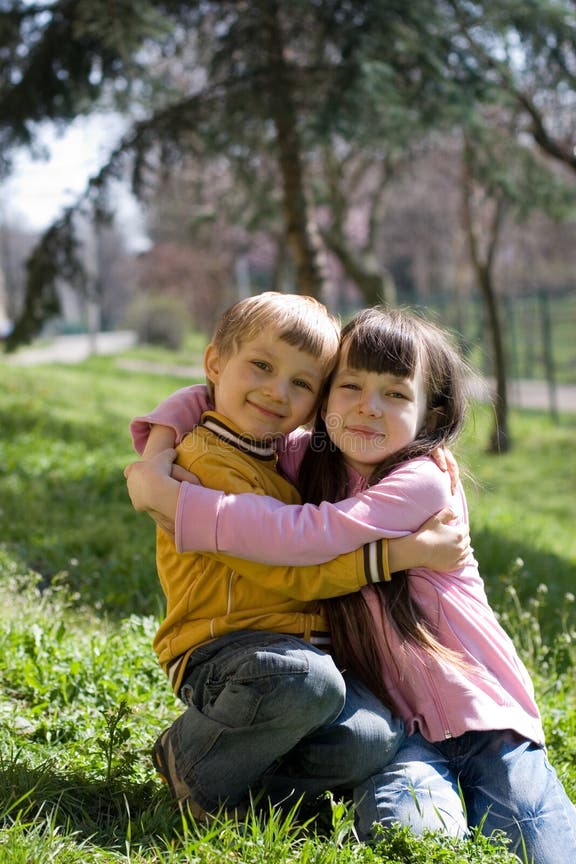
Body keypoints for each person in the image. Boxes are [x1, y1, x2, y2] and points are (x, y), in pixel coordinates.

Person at [125, 306, 576, 863]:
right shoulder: (304, 460)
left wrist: (176, 501)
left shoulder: (421, 480)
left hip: (484, 716)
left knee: (539, 844)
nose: (368, 407)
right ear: (324, 402)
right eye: (351, 386)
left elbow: (306, 535)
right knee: (415, 841)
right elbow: (216, 394)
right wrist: (157, 451)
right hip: (397, 733)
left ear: (430, 415)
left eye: (395, 395)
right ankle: (224, 780)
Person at [128, 292, 469, 823]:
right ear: (216, 362)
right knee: (309, 684)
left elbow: (198, 395)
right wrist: (397, 554)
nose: (275, 391)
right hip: (224, 650)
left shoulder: (284, 454)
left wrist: (421, 443)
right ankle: (189, 760)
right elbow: (291, 571)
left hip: (292, 656)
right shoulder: (206, 462)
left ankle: (247, 790)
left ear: (317, 400)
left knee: (372, 736)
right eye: (261, 366)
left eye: (302, 383)